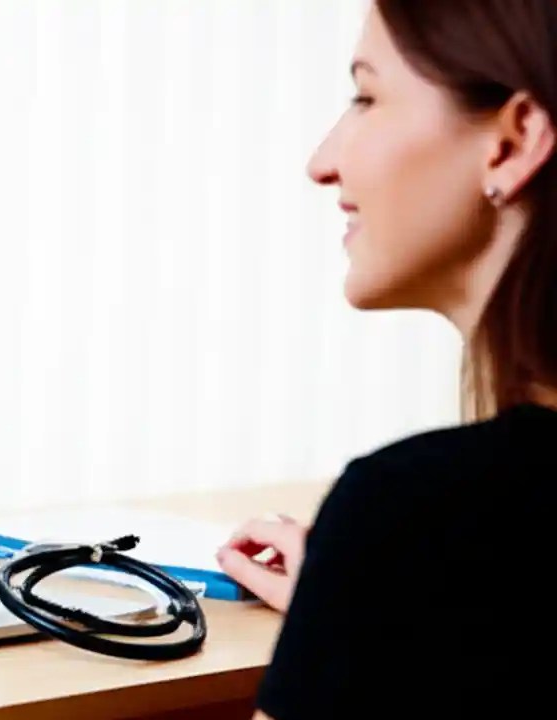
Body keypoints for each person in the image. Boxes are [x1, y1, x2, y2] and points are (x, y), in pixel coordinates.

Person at [213, 2, 557, 717]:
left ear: (514, 140)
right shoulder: (426, 548)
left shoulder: (418, 514)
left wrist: (377, 565)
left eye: (367, 97)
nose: (322, 163)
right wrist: (357, 596)